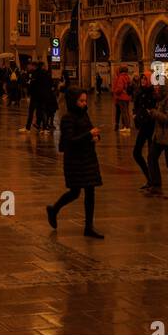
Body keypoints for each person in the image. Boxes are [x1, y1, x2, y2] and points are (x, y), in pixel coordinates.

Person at [46, 90, 104, 239]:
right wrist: (89, 135)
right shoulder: (67, 119)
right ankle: (54, 209)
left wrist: (96, 136)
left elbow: (89, 131)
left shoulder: (84, 114)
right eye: (81, 101)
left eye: (85, 101)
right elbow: (70, 140)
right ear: (74, 102)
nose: (84, 104)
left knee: (90, 191)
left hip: (88, 158)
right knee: (75, 192)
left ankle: (89, 226)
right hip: (75, 160)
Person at [145, 79, 168, 199]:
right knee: (152, 157)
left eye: (158, 87)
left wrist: (154, 114)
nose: (155, 89)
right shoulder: (161, 100)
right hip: (160, 136)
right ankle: (156, 185)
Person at [132, 77, 157, 188]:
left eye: (145, 79)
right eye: (142, 79)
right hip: (143, 126)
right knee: (137, 153)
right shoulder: (140, 92)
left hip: (151, 127)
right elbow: (137, 107)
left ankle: (153, 180)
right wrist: (135, 115)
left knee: (151, 155)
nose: (143, 81)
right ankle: (150, 178)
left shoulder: (153, 94)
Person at [112, 65, 132, 133]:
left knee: (124, 112)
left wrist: (115, 91)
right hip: (127, 97)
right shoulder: (127, 77)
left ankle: (127, 127)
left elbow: (119, 88)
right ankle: (127, 125)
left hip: (122, 97)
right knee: (126, 112)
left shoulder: (121, 77)